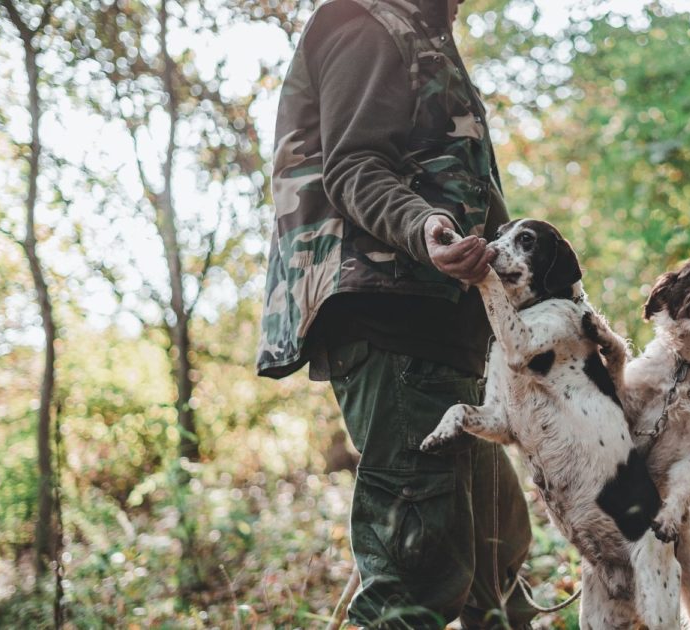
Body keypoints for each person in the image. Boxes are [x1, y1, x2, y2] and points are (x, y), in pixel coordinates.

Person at [255, 0, 534, 626]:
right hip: (396, 325)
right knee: (416, 582)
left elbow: (471, 190)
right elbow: (352, 165)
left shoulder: (424, 34)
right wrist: (423, 224)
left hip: (449, 336)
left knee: (498, 557)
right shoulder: (365, 24)